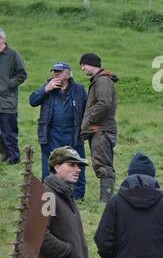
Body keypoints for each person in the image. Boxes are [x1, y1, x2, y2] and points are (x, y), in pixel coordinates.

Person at [29, 63, 87, 200]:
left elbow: (87, 109)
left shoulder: (78, 89)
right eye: (54, 71)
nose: (55, 74)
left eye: (59, 72)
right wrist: (46, 89)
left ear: (68, 74)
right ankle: (49, 195)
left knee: (76, 163)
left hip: (73, 133)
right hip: (51, 134)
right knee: (50, 165)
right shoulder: (48, 87)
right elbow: (32, 101)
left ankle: (77, 196)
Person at [78, 53, 118, 204]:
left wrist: (88, 120)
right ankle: (105, 200)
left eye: (83, 64)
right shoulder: (99, 80)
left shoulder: (102, 80)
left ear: (92, 64)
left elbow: (103, 103)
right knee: (101, 164)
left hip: (101, 129)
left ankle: (105, 201)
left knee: (103, 166)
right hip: (99, 129)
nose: (82, 68)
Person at [0, 29, 28, 164]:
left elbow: (22, 74)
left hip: (7, 102)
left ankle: (14, 157)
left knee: (9, 132)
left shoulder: (13, 54)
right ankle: (3, 155)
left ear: (2, 39)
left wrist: (8, 84)